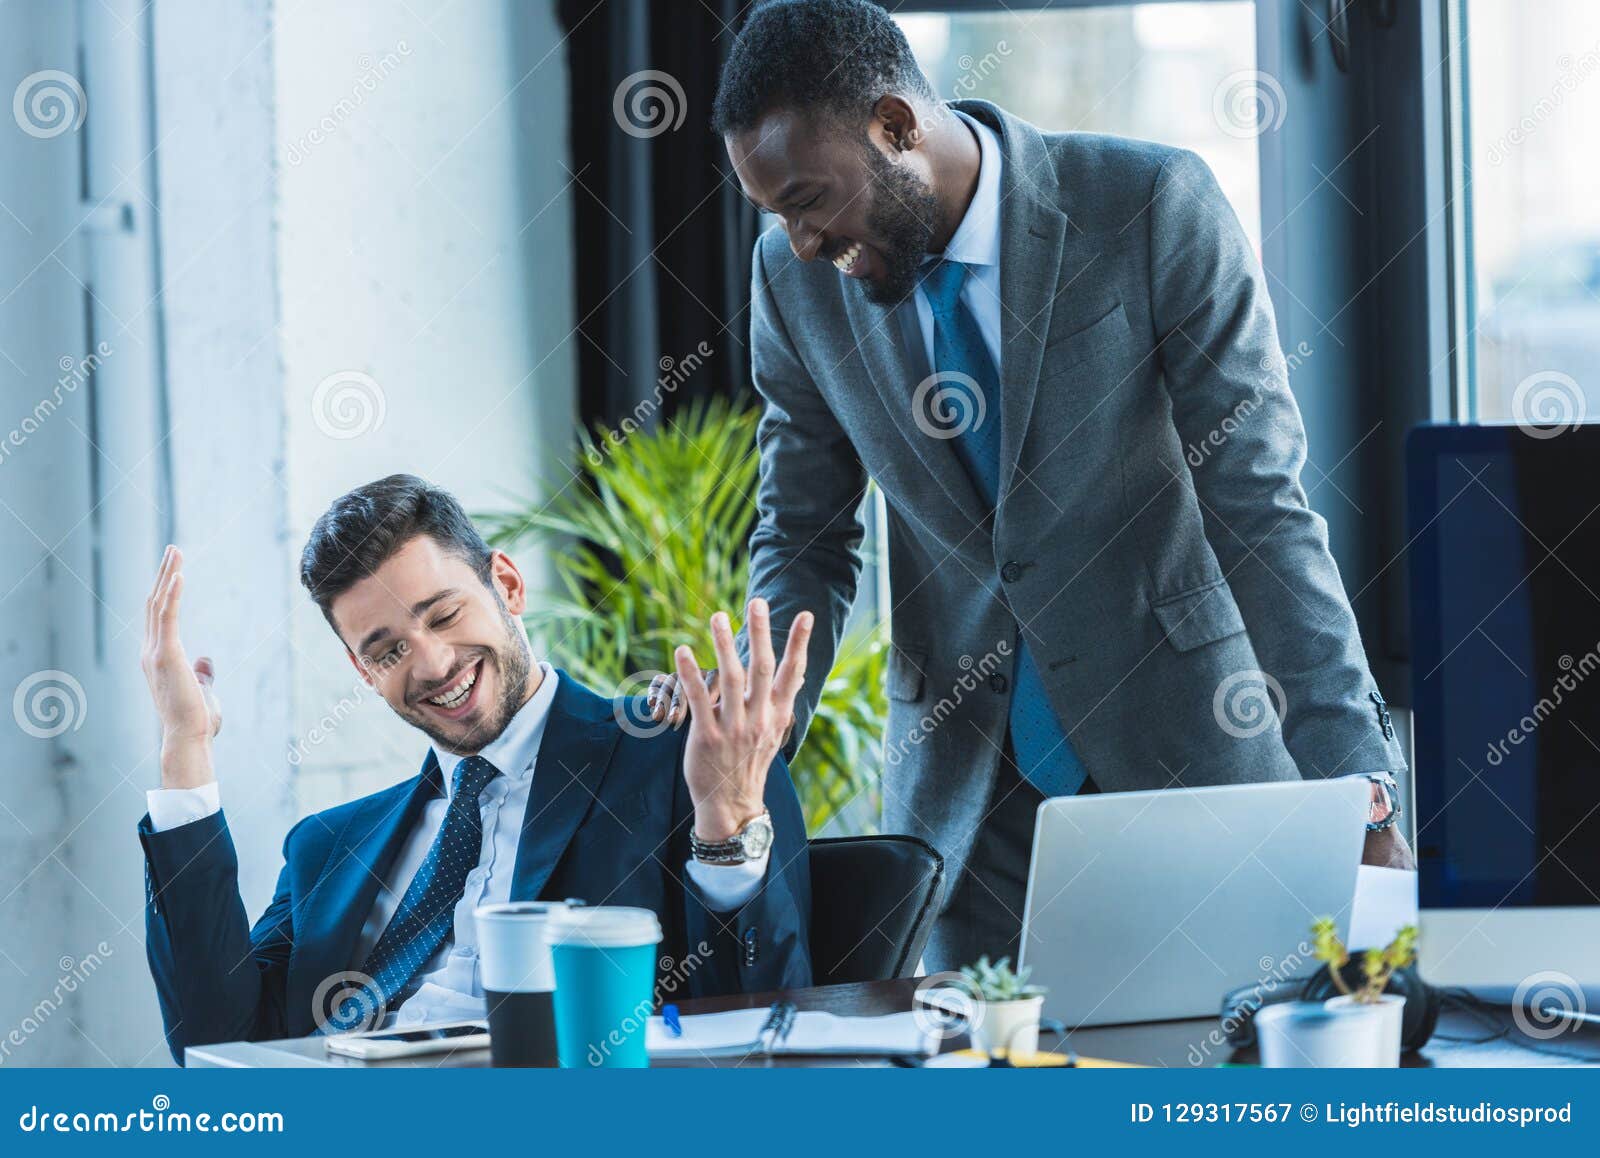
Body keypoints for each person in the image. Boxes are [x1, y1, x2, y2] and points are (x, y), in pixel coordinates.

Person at [651, 0, 1411, 973]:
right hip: (969, 794)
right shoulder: (793, 281)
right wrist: (753, 733)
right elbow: (802, 535)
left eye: (808, 200)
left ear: (894, 125)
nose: (800, 241)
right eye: (777, 215)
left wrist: (1355, 781)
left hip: (1187, 752)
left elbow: (1257, 503)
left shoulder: (1146, 205)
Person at [138, 474, 812, 1062]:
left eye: (444, 615)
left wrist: (727, 828)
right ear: (363, 671)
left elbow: (760, 1025)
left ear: (508, 586)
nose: (432, 665)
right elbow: (214, 1043)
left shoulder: (684, 755)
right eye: (389, 649)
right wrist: (184, 750)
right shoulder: (327, 845)